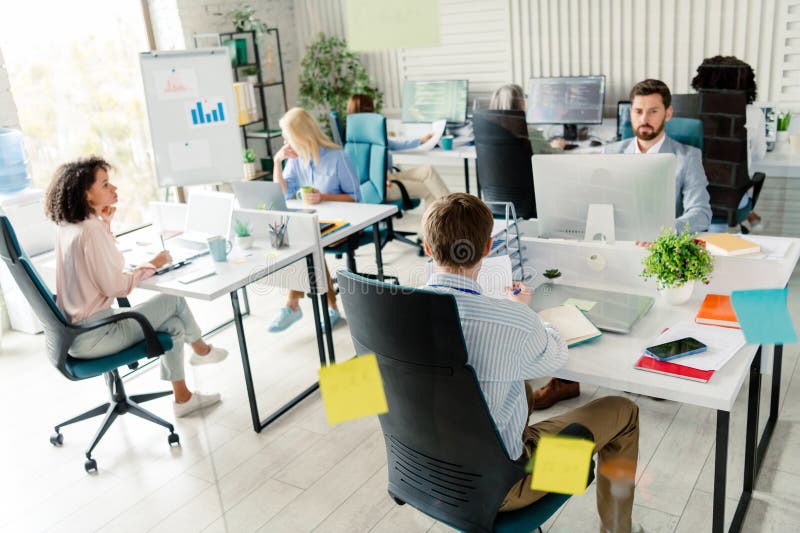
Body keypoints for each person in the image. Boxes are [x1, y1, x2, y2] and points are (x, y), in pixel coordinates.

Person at [422, 193, 640, 533]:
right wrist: (523, 313)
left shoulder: (396, 314)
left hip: (425, 475)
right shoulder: (511, 321)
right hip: (503, 488)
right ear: (487, 248)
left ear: (427, 248)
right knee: (624, 412)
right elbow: (557, 355)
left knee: (518, 388)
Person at [536, 79, 714, 410]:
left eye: (653, 111)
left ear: (668, 113)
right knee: (568, 287)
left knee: (651, 311)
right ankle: (565, 378)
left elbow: (701, 212)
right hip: (611, 246)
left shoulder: (687, 157)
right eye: (638, 111)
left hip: (656, 252)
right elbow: (586, 199)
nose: (644, 118)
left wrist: (664, 231)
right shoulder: (611, 153)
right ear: (630, 113)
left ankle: (652, 369)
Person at [45, 157, 227, 418]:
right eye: (105, 184)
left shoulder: (69, 226)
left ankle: (183, 398)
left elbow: (95, 265)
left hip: (75, 334)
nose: (114, 188)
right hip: (97, 334)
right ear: (86, 193)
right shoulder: (91, 230)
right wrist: (153, 264)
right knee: (174, 300)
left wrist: (105, 224)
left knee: (174, 325)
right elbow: (116, 287)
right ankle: (201, 349)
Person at [270, 107, 361, 333]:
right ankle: (327, 308)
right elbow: (283, 193)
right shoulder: (296, 160)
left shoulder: (338, 157)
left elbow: (355, 198)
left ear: (302, 135)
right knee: (305, 241)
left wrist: (324, 197)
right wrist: (277, 162)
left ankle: (295, 304)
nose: (286, 142)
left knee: (309, 243)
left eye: (288, 137)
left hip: (346, 224)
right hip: (316, 226)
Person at [691, 55, 767, 232]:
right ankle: (750, 215)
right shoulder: (754, 115)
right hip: (730, 202)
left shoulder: (687, 109)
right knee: (736, 184)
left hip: (688, 199)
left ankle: (751, 215)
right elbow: (758, 155)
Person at [346, 94, 450, 208]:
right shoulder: (353, 141)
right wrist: (379, 180)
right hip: (380, 185)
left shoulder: (371, 133)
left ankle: (456, 209)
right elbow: (358, 172)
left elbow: (395, 145)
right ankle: (448, 216)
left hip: (388, 177)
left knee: (428, 170)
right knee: (428, 190)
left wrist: (421, 141)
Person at [488, 84, 567, 152]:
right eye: (525, 97)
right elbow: (550, 154)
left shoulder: (487, 133)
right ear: (522, 103)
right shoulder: (529, 134)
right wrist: (558, 147)